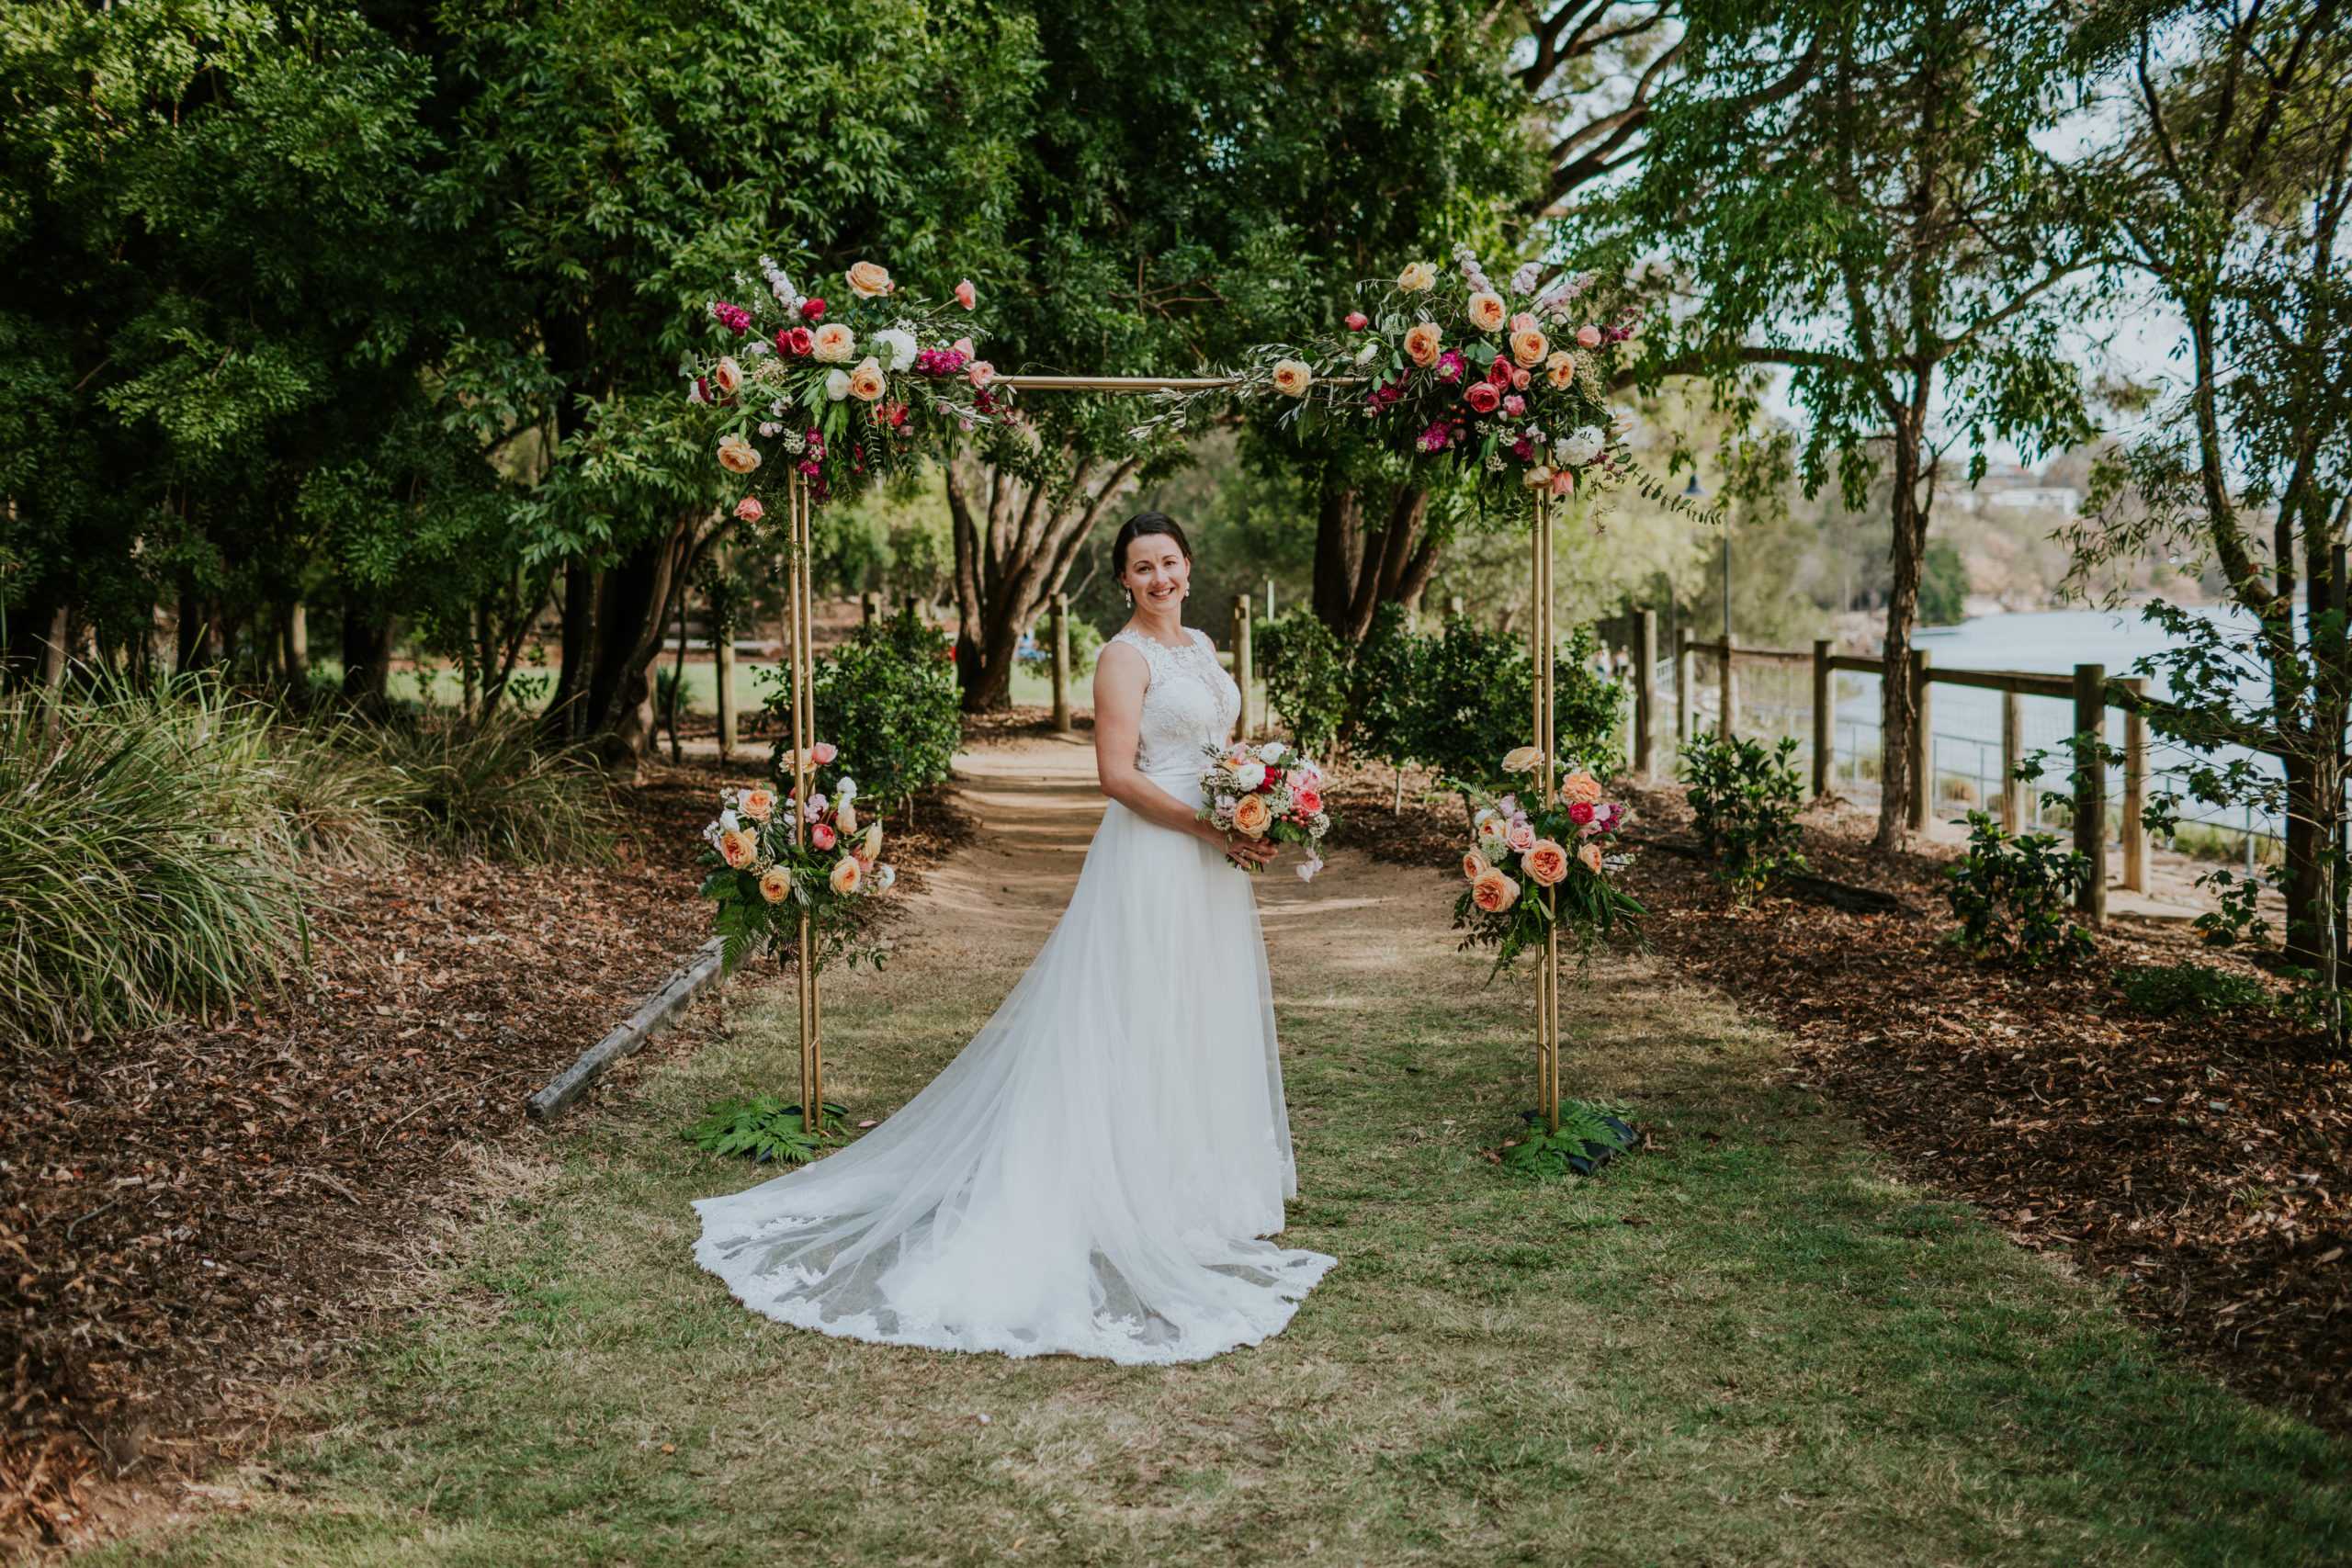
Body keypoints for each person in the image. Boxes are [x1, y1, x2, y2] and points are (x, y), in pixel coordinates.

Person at [691, 513, 1334, 1363]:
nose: (1159, 577)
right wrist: (1212, 827)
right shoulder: (1119, 657)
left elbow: (1214, 746)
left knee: (1200, 1009)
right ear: (1122, 580)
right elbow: (1116, 775)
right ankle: (1123, 1188)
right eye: (1141, 567)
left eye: (1170, 561)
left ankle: (1201, 1192)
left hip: (1213, 860)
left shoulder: (1206, 643)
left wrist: (1258, 792)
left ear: (1190, 565)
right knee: (1137, 1014)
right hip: (1156, 853)